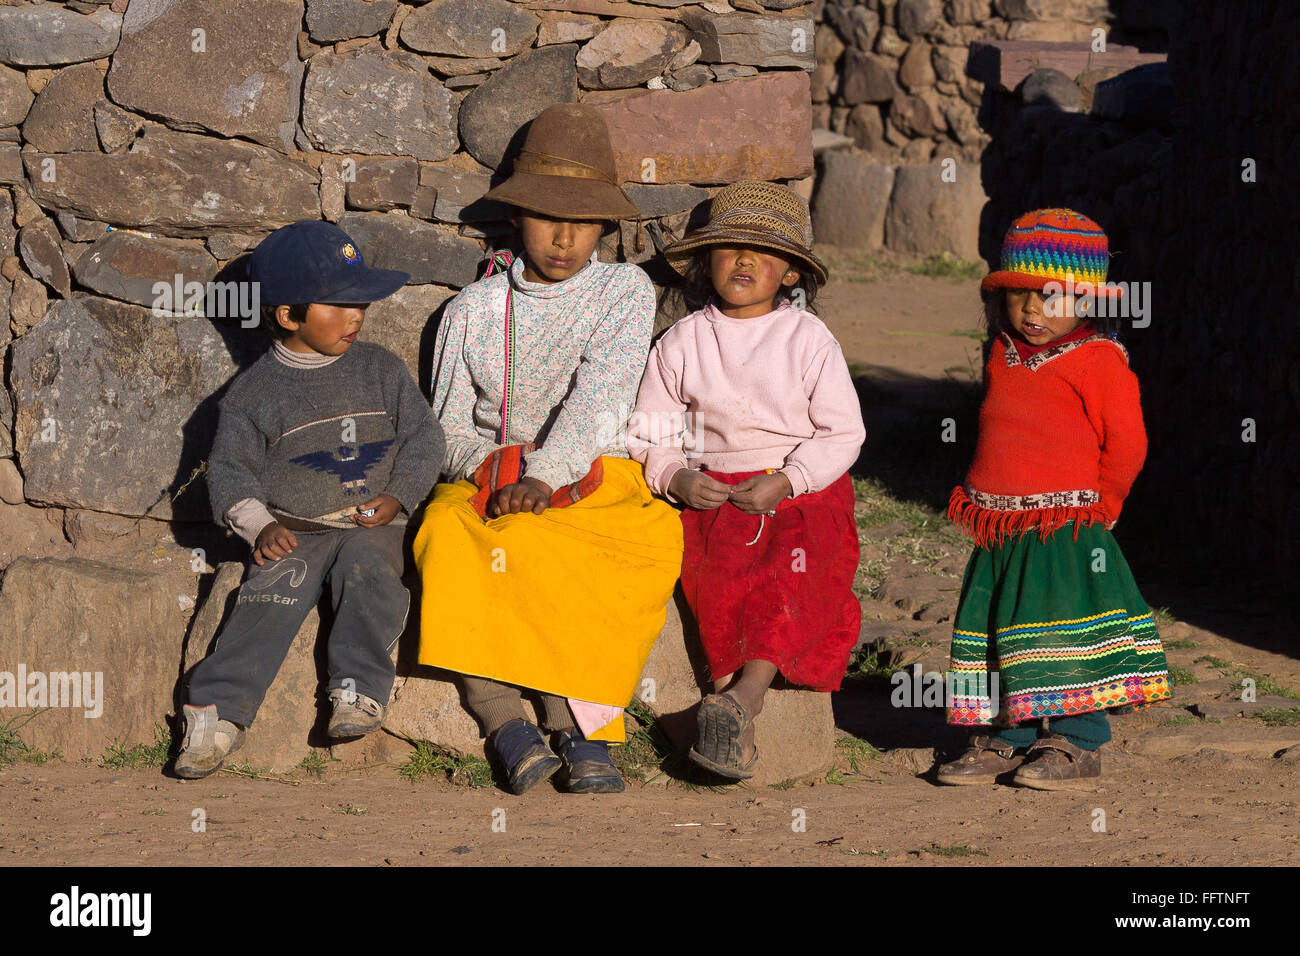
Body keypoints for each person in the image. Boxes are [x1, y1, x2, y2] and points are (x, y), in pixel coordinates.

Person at [412, 104, 683, 795]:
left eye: (583, 221)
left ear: (605, 228)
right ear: (515, 216)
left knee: (630, 543)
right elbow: (444, 425)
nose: (562, 238)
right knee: (446, 534)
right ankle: (506, 721)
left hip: (593, 470)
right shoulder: (471, 311)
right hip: (495, 476)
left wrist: (546, 475)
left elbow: (603, 395)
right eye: (544, 215)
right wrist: (488, 467)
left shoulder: (624, 291)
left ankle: (578, 727)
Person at [176, 220, 444, 779]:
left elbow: (424, 438)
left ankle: (356, 690)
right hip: (295, 529)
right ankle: (214, 716)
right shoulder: (254, 394)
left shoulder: (382, 370)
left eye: (361, 305)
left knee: (372, 575)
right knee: (267, 600)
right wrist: (258, 526)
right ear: (288, 315)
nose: (356, 317)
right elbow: (229, 470)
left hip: (373, 524)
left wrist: (399, 497)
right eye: (338, 305)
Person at [628, 181, 865, 780]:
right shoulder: (681, 342)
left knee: (788, 576)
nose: (744, 261)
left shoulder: (808, 340)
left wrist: (788, 480)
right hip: (715, 494)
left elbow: (844, 434)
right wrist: (676, 475)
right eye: (731, 248)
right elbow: (647, 431)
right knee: (719, 586)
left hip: (800, 493)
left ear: (790, 274)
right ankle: (730, 715)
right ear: (707, 262)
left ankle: (742, 699)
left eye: (762, 253)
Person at [936, 208, 1171, 790]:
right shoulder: (1003, 351)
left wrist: (1103, 507)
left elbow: (1128, 443)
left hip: (1065, 527)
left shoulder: (1100, 361)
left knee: (1066, 627)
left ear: (1087, 301)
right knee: (1003, 626)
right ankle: (1010, 735)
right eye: (1021, 296)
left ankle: (1077, 740)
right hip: (1000, 527)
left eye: (1052, 297)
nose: (1033, 311)